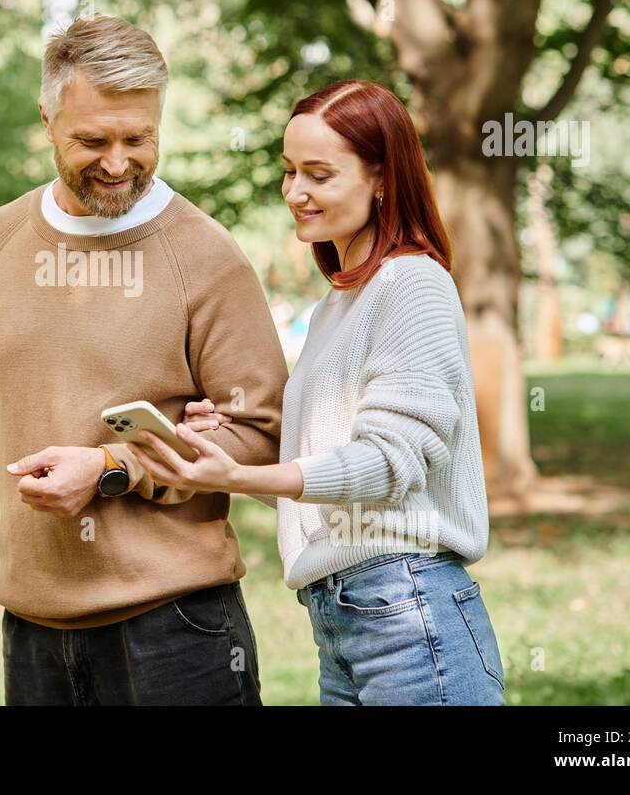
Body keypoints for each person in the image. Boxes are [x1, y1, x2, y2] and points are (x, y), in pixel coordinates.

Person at [0, 14, 289, 705]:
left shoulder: (206, 256)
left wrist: (114, 470)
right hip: (32, 627)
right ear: (47, 119)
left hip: (177, 626)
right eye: (92, 139)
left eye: (138, 139)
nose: (118, 163)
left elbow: (260, 431)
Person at [134, 79, 507, 705]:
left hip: (408, 614)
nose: (295, 193)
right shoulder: (339, 304)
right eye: (288, 172)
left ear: (382, 178)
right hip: (342, 620)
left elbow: (388, 466)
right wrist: (219, 450)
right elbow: (328, 485)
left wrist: (238, 479)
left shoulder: (412, 285)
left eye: (318, 175)